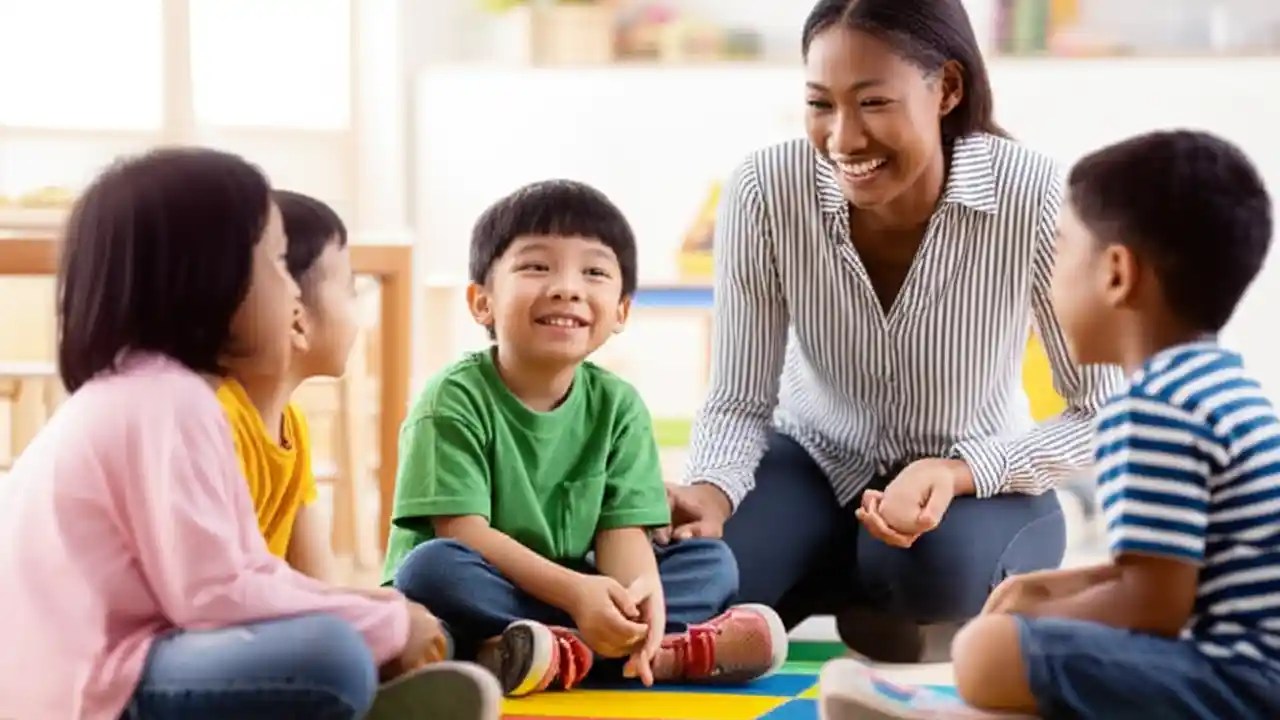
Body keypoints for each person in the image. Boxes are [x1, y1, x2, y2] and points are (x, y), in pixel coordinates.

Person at [660, 0, 1124, 662]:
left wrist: (964, 471)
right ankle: (837, 582)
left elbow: (1103, 412)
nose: (844, 139)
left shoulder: (1037, 196)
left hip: (973, 480)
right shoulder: (765, 190)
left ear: (948, 89)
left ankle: (856, 587)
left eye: (874, 103)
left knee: (928, 571)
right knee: (701, 568)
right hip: (813, 458)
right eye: (822, 104)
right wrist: (710, 490)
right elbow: (738, 399)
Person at [0, 147, 500, 720]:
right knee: (331, 656)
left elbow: (251, 578)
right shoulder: (167, 402)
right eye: (276, 262)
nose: (291, 292)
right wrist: (382, 621)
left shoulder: (154, 394)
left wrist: (370, 613)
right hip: (89, 689)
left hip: (109, 669)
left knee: (336, 639)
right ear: (211, 280)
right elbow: (217, 597)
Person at [384, 179, 787, 697]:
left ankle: (550, 653)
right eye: (536, 267)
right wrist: (577, 595)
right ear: (481, 302)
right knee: (431, 569)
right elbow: (462, 531)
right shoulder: (451, 399)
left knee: (710, 565)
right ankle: (654, 657)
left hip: (579, 586)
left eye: (593, 272)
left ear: (620, 310)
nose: (567, 287)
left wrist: (639, 605)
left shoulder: (619, 406)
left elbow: (623, 535)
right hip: (481, 586)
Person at [951, 131, 1280, 718]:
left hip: (1243, 679)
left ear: (1116, 273)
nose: (1046, 279)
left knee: (987, 650)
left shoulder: (1150, 406)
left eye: (1057, 251)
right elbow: (1168, 569)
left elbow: (1154, 605)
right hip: (1257, 662)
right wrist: (1050, 589)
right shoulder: (1221, 385)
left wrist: (1036, 621)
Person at [215, 190, 355, 581]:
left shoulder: (289, 424)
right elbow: (217, 595)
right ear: (297, 319)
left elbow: (317, 582)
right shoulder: (217, 424)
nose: (355, 308)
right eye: (349, 289)